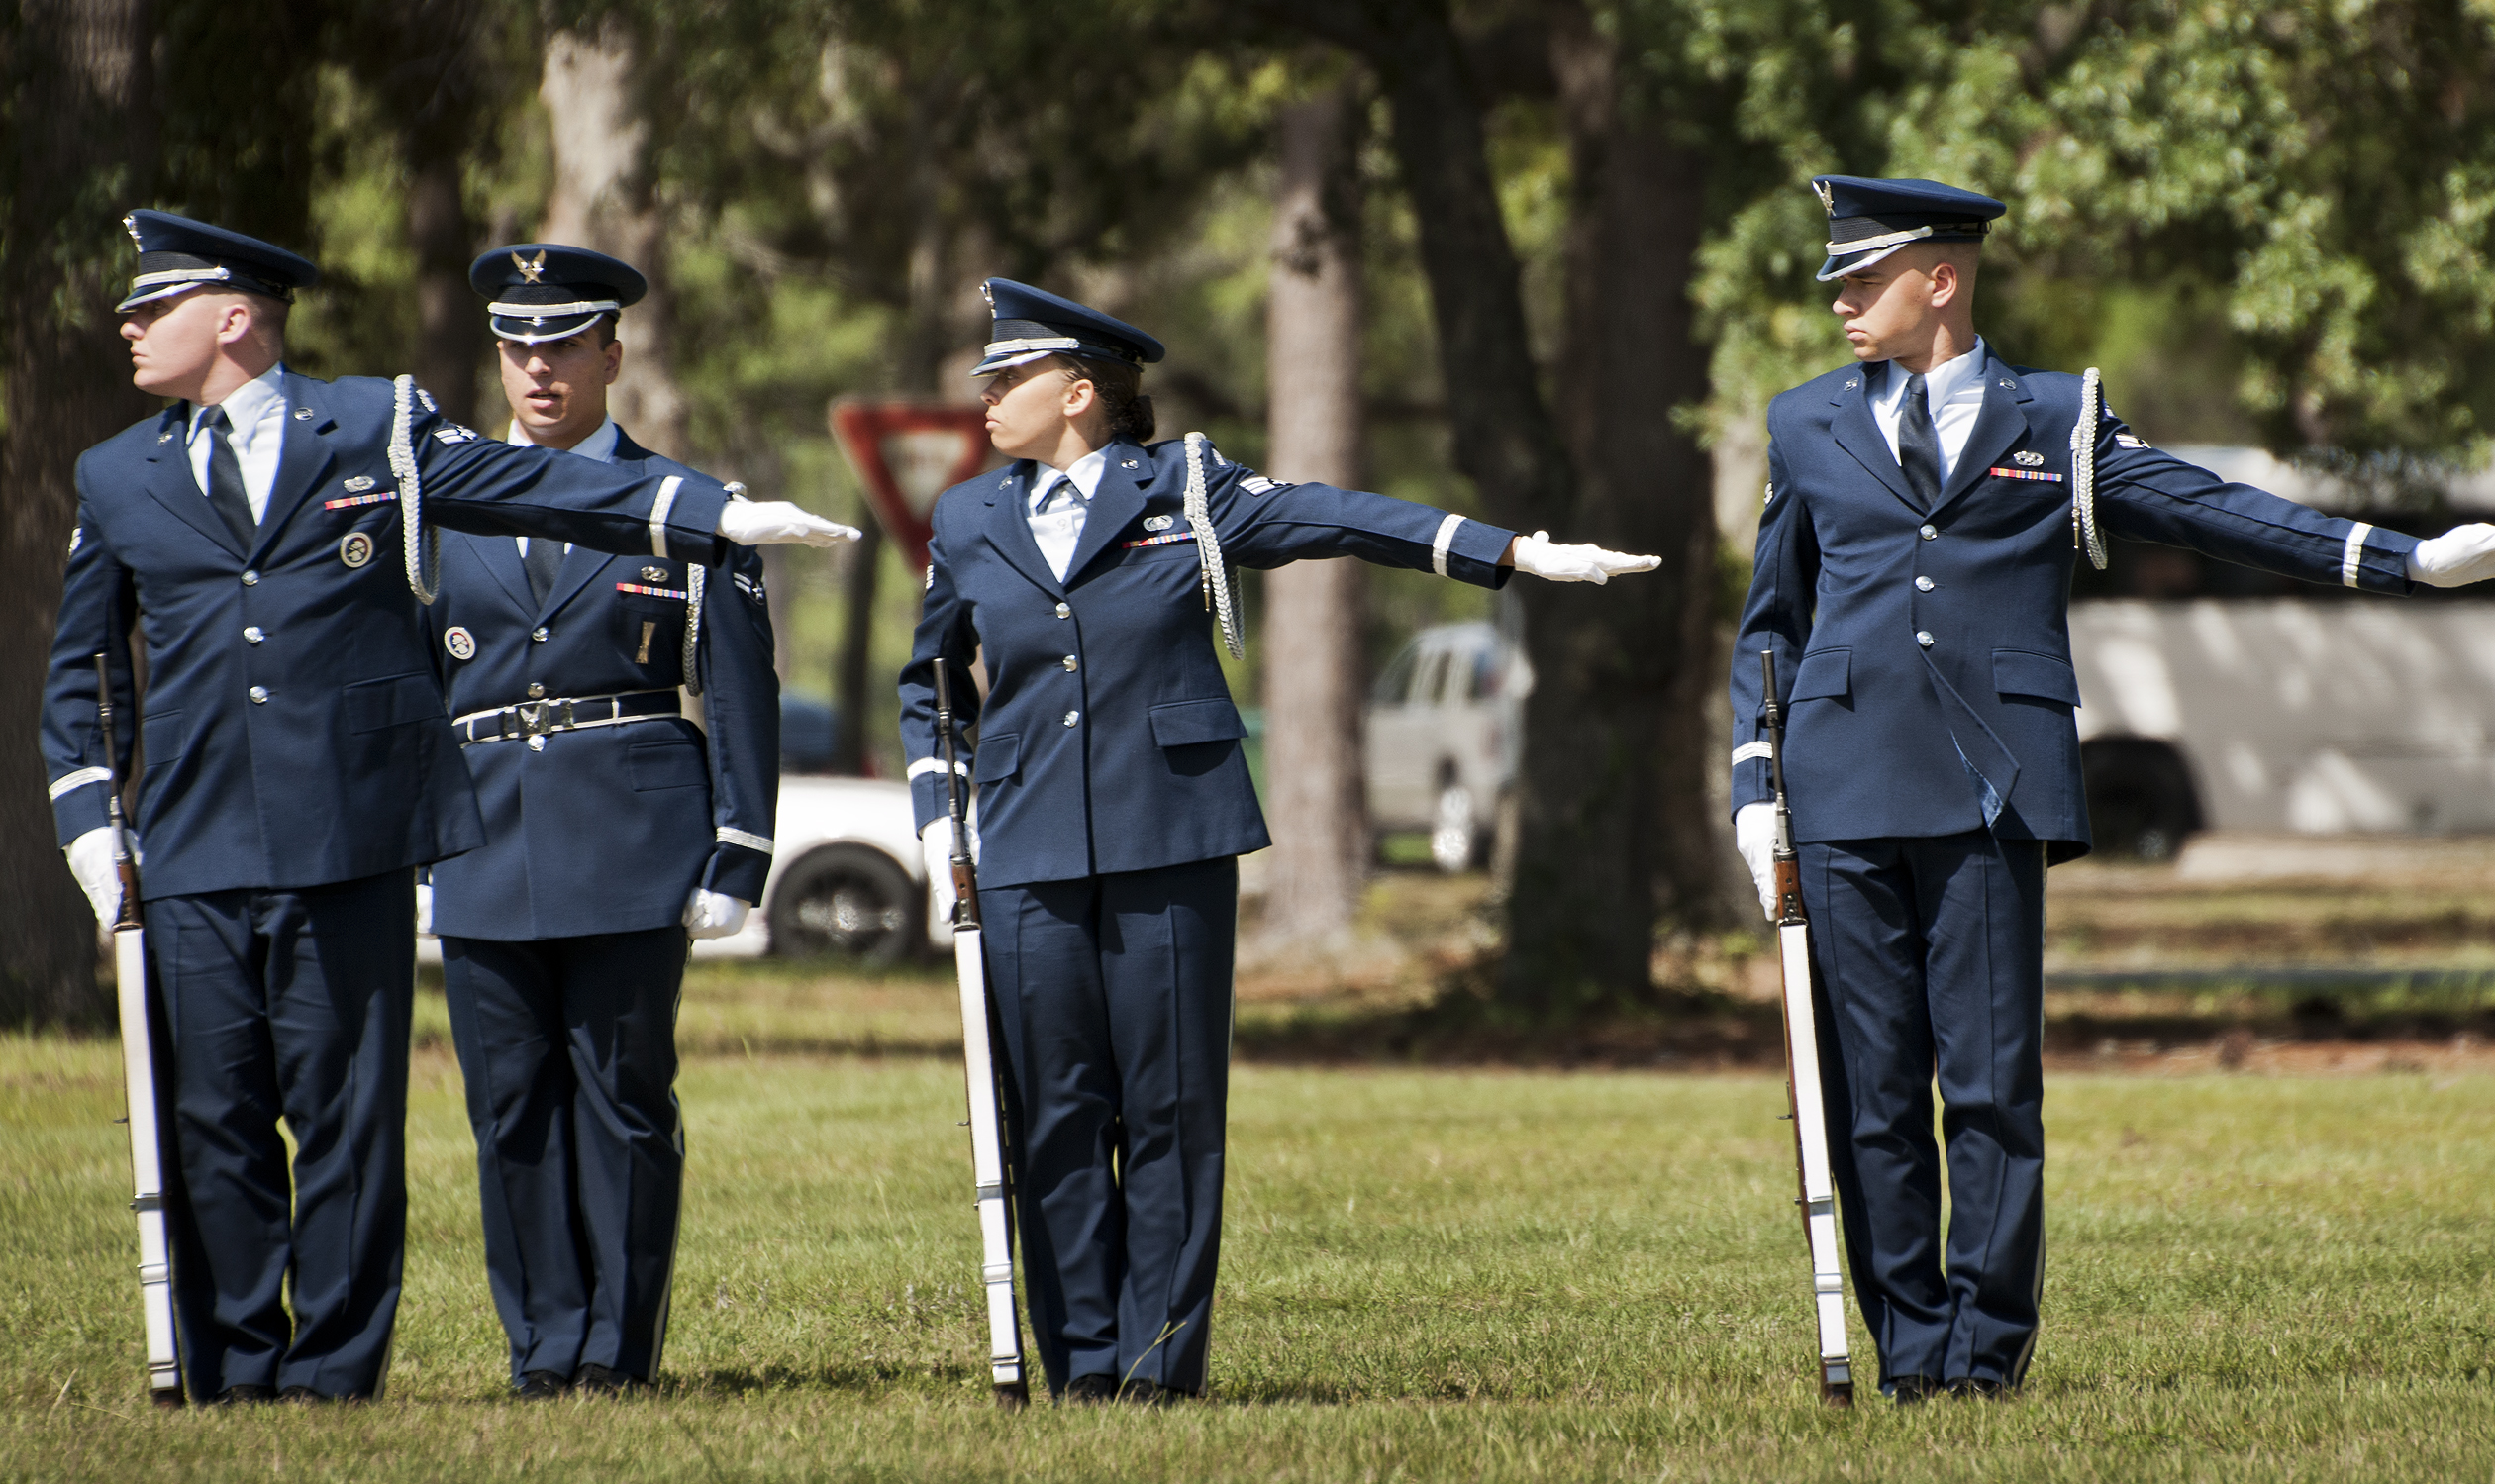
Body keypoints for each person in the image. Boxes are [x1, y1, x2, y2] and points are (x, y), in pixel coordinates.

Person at [1727, 176, 2495, 1401]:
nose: (1839, 298)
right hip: (1840, 788)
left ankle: (1983, 1361)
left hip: (1989, 790)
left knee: (1992, 1090)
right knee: (1870, 1095)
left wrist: (2404, 562)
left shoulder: (2052, 419)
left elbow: (2215, 513)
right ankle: (1908, 1353)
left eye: (1861, 274)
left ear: (1939, 278)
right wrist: (1753, 779)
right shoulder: (1804, 424)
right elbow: (1771, 622)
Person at [41, 211, 854, 1405]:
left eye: (150, 306)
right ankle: (252, 1366)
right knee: (230, 1117)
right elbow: (90, 666)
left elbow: (540, 490)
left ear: (229, 318)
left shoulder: (377, 430)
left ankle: (367, 1370)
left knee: (384, 1120)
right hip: (227, 837)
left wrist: (720, 520)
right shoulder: (117, 472)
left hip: (426, 837)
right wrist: (85, 812)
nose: (125, 323)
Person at [897, 280, 1658, 1404]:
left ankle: (1156, 1368)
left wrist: (1513, 555)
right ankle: (1081, 1366)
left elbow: (1342, 517)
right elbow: (931, 685)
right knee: (1053, 1112)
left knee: (1166, 1109)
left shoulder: (1188, 490)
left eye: (1006, 379)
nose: (986, 396)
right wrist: (934, 820)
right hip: (1026, 845)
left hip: (1169, 836)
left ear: (1078, 391)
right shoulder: (967, 518)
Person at [415, 244, 783, 1400]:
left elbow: (738, 687)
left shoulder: (683, 505)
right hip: (481, 838)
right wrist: (412, 841)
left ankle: (619, 1354)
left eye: (562, 345)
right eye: (517, 348)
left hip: (632, 837)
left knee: (624, 1099)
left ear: (610, 355)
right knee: (509, 1106)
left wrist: (740, 848)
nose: (537, 369)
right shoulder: (444, 496)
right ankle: (543, 1348)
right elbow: (413, 686)